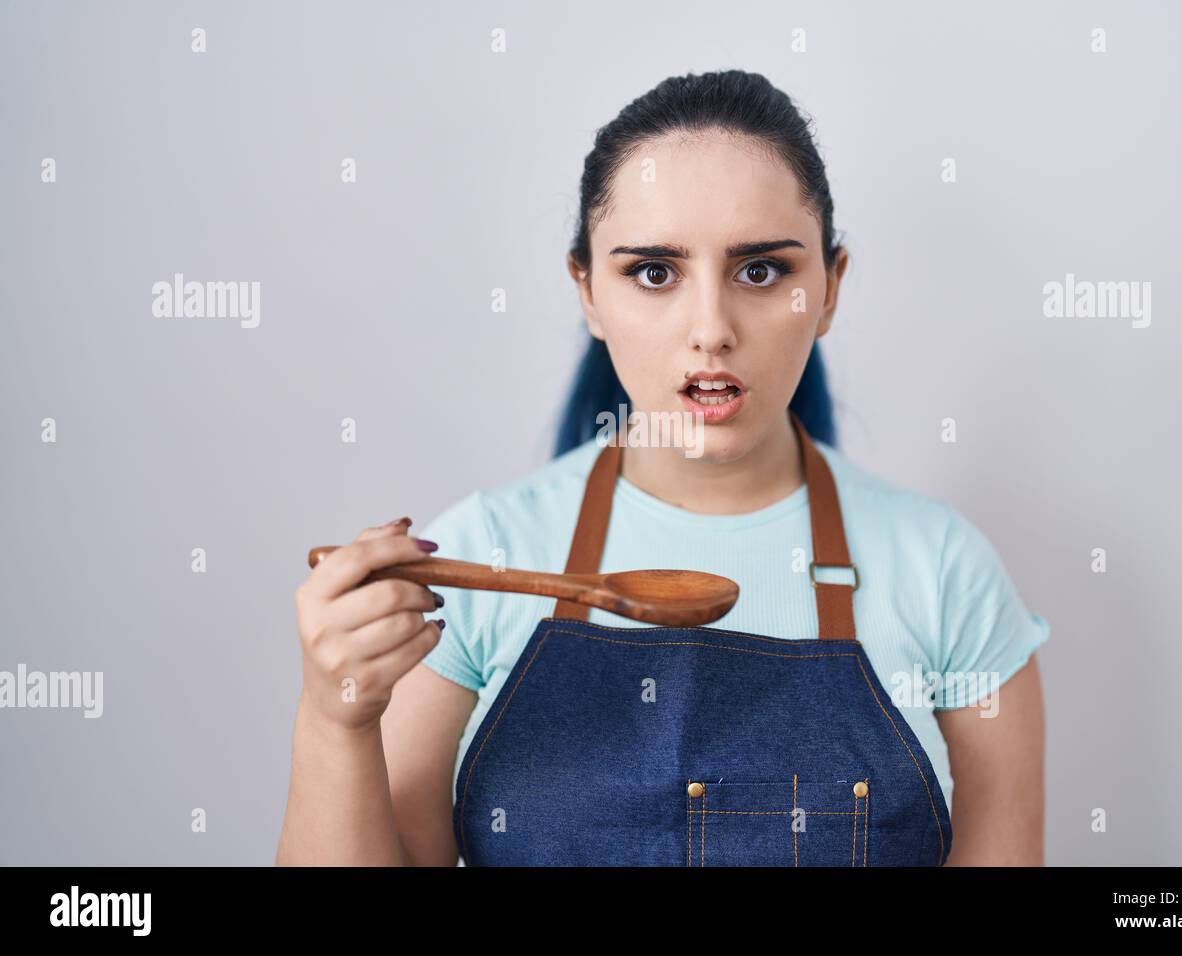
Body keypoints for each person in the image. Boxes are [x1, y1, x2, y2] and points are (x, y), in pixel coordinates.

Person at [277, 70, 1049, 867]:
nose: (710, 328)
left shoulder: (947, 573)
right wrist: (334, 721)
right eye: (653, 272)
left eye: (761, 271)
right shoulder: (480, 555)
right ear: (588, 293)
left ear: (827, 291)